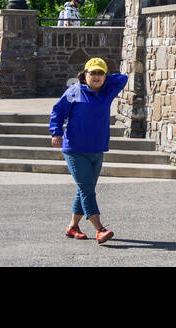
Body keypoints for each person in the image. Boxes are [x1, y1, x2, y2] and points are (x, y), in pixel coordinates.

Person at [49, 58, 127, 243]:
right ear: (85, 75)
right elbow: (58, 112)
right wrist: (56, 132)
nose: (97, 76)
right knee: (87, 189)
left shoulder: (108, 92)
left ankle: (72, 227)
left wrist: (106, 80)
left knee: (85, 189)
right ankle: (99, 229)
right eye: (92, 73)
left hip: (97, 148)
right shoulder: (74, 91)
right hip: (75, 149)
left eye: (101, 73)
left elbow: (122, 78)